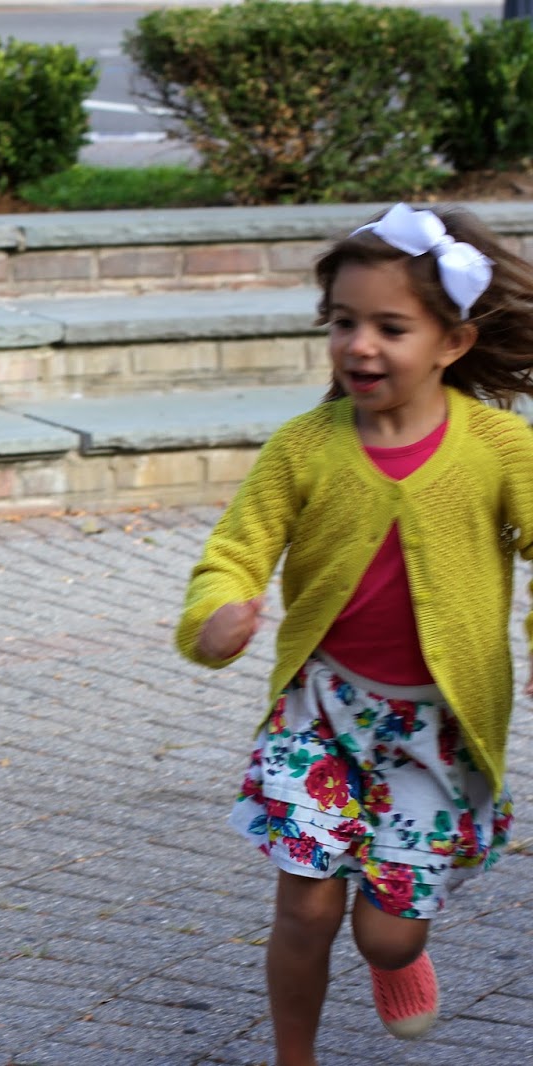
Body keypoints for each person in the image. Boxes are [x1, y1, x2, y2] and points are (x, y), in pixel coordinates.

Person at [175, 202, 533, 1064]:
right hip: (321, 709)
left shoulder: (497, 448)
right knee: (303, 904)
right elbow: (233, 553)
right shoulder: (305, 448)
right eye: (343, 322)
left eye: (389, 326)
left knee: (387, 934)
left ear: (452, 342)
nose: (359, 345)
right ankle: (292, 1056)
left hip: (438, 728)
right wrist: (216, 618)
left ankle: (395, 959)